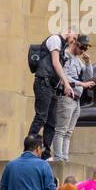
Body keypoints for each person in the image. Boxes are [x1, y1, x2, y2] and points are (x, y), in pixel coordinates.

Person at [29, 31, 78, 161]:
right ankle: (28, 150)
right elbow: (55, 63)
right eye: (74, 37)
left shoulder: (62, 47)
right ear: (68, 32)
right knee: (41, 117)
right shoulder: (55, 39)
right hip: (43, 83)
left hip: (52, 87)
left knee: (51, 122)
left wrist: (67, 85)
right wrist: (66, 84)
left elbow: (60, 69)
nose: (74, 41)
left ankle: (45, 154)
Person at [52, 31, 95, 162]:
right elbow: (64, 76)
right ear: (75, 43)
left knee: (69, 132)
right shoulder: (64, 55)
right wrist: (82, 84)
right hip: (66, 97)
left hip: (76, 99)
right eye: (82, 47)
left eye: (86, 48)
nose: (83, 50)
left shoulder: (78, 60)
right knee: (61, 130)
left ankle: (65, 157)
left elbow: (88, 77)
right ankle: (59, 158)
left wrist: (88, 63)